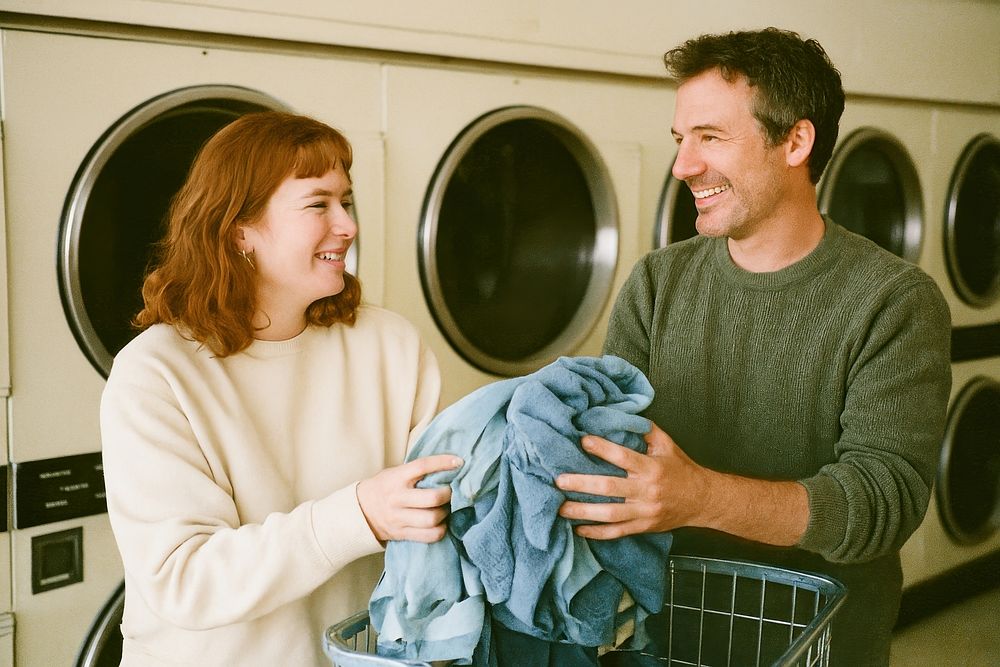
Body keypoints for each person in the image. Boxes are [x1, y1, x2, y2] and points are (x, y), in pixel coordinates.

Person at [555, 28, 951, 666]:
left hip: (817, 645)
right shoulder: (656, 283)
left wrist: (701, 496)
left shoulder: (894, 301)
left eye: (710, 137)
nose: (684, 164)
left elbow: (883, 501)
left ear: (796, 141)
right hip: (664, 642)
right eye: (681, 140)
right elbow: (613, 447)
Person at [100, 111, 461, 666]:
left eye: (346, 201)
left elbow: (447, 509)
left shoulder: (390, 344)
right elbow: (184, 577)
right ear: (238, 228)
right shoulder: (156, 372)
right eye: (318, 204)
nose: (347, 225)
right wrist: (358, 515)